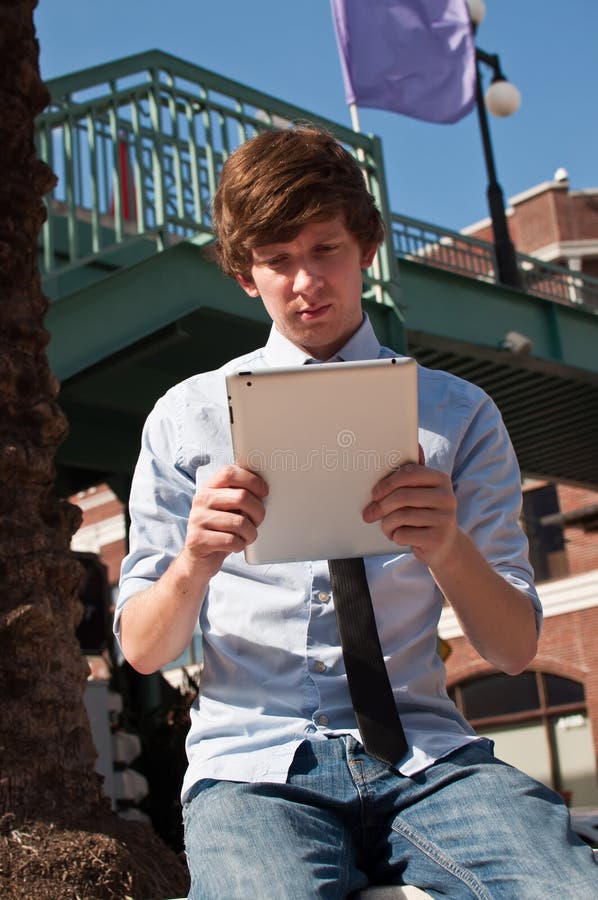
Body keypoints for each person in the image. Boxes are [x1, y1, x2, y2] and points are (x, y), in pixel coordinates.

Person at [115, 126, 597, 899]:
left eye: (325, 249)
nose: (305, 281)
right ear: (246, 274)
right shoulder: (187, 416)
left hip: (430, 761)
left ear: (365, 246)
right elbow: (142, 650)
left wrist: (447, 547)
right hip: (253, 766)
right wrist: (195, 562)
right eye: (277, 259)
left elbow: (511, 651)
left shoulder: (458, 414)